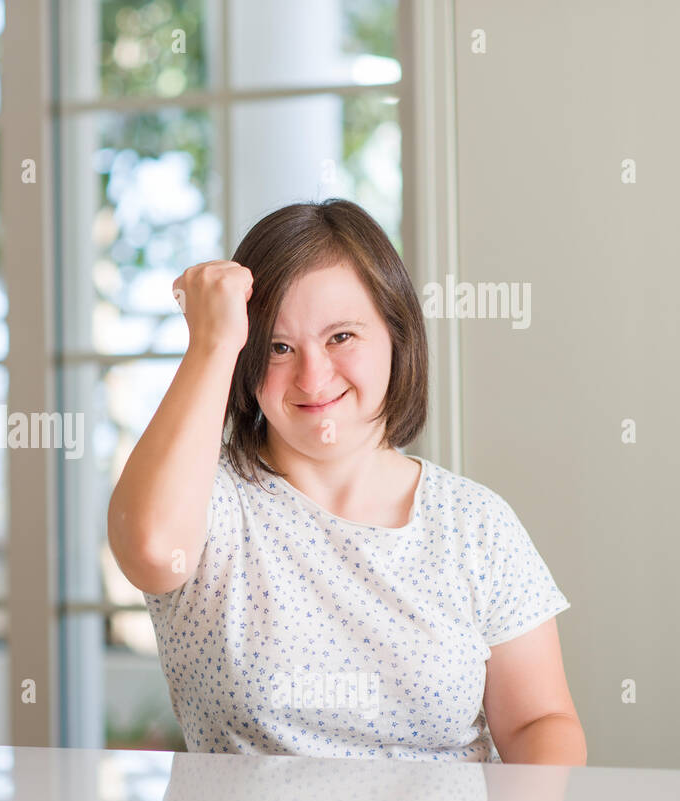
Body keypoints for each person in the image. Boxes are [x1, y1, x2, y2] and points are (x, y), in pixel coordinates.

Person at [107, 198, 586, 764]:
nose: (313, 378)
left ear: (396, 335)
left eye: (341, 337)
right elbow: (152, 551)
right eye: (279, 348)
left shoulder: (476, 522)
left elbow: (537, 720)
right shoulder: (207, 505)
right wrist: (211, 343)